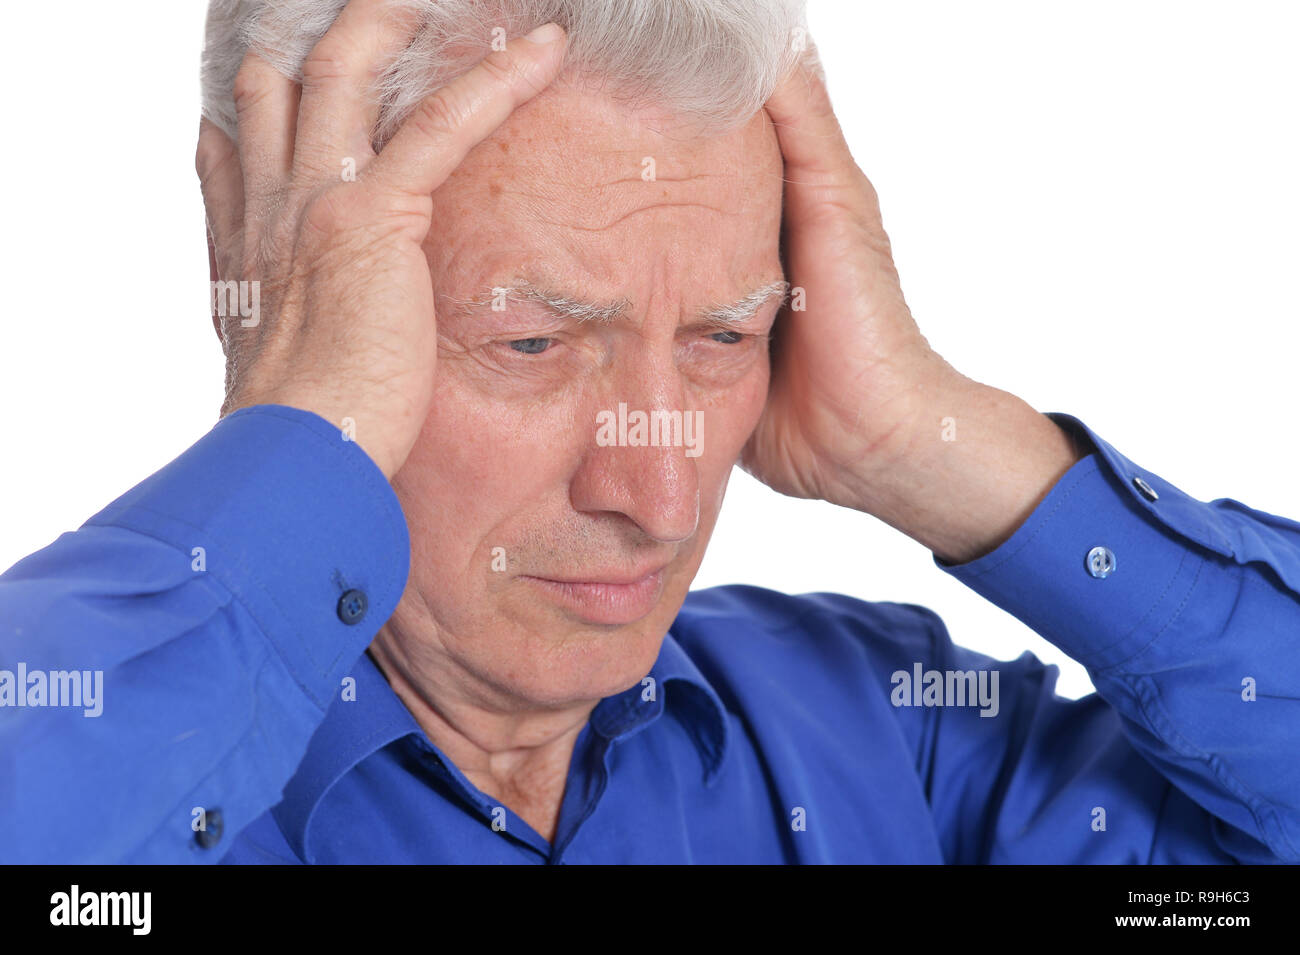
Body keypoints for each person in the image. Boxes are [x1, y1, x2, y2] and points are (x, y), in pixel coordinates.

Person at [1, 0, 1295, 864]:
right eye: (531, 344)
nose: (664, 495)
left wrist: (932, 441)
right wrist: (297, 438)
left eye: (723, 339)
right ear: (280, 287)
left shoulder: (881, 730)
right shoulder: (125, 772)